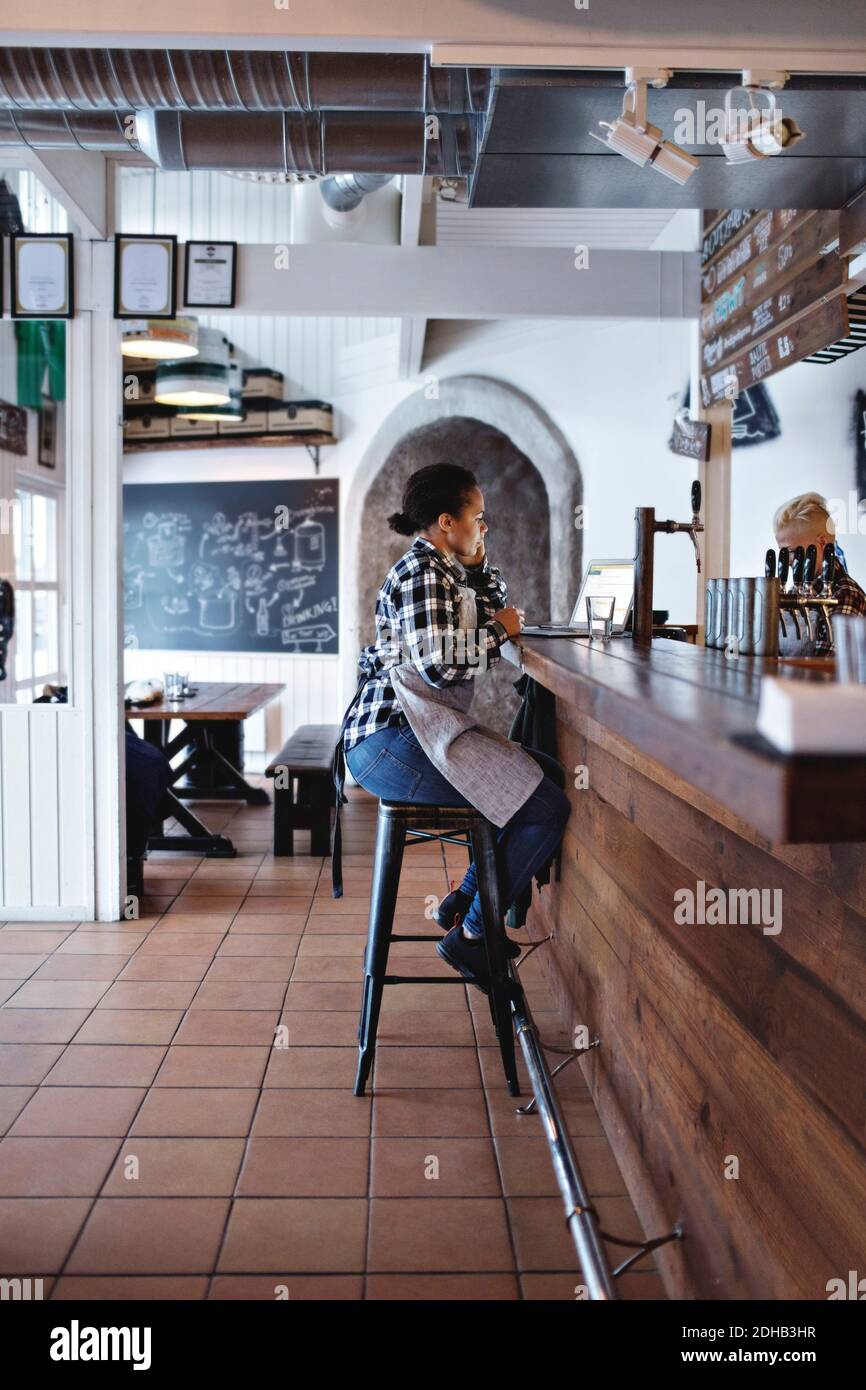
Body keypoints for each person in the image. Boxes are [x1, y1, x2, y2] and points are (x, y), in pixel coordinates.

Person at [338, 462, 570, 993]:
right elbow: (439, 665)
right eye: (478, 518)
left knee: (546, 776)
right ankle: (471, 933)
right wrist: (502, 627)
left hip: (420, 733)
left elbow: (495, 605)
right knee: (545, 804)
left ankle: (463, 902)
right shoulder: (422, 573)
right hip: (389, 741)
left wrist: (483, 567)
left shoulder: (450, 571)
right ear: (447, 521)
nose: (483, 526)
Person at [773, 492, 866, 656]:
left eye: (792, 552)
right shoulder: (797, 591)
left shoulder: (846, 594)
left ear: (822, 543)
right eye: (783, 555)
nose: (787, 562)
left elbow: (826, 664)